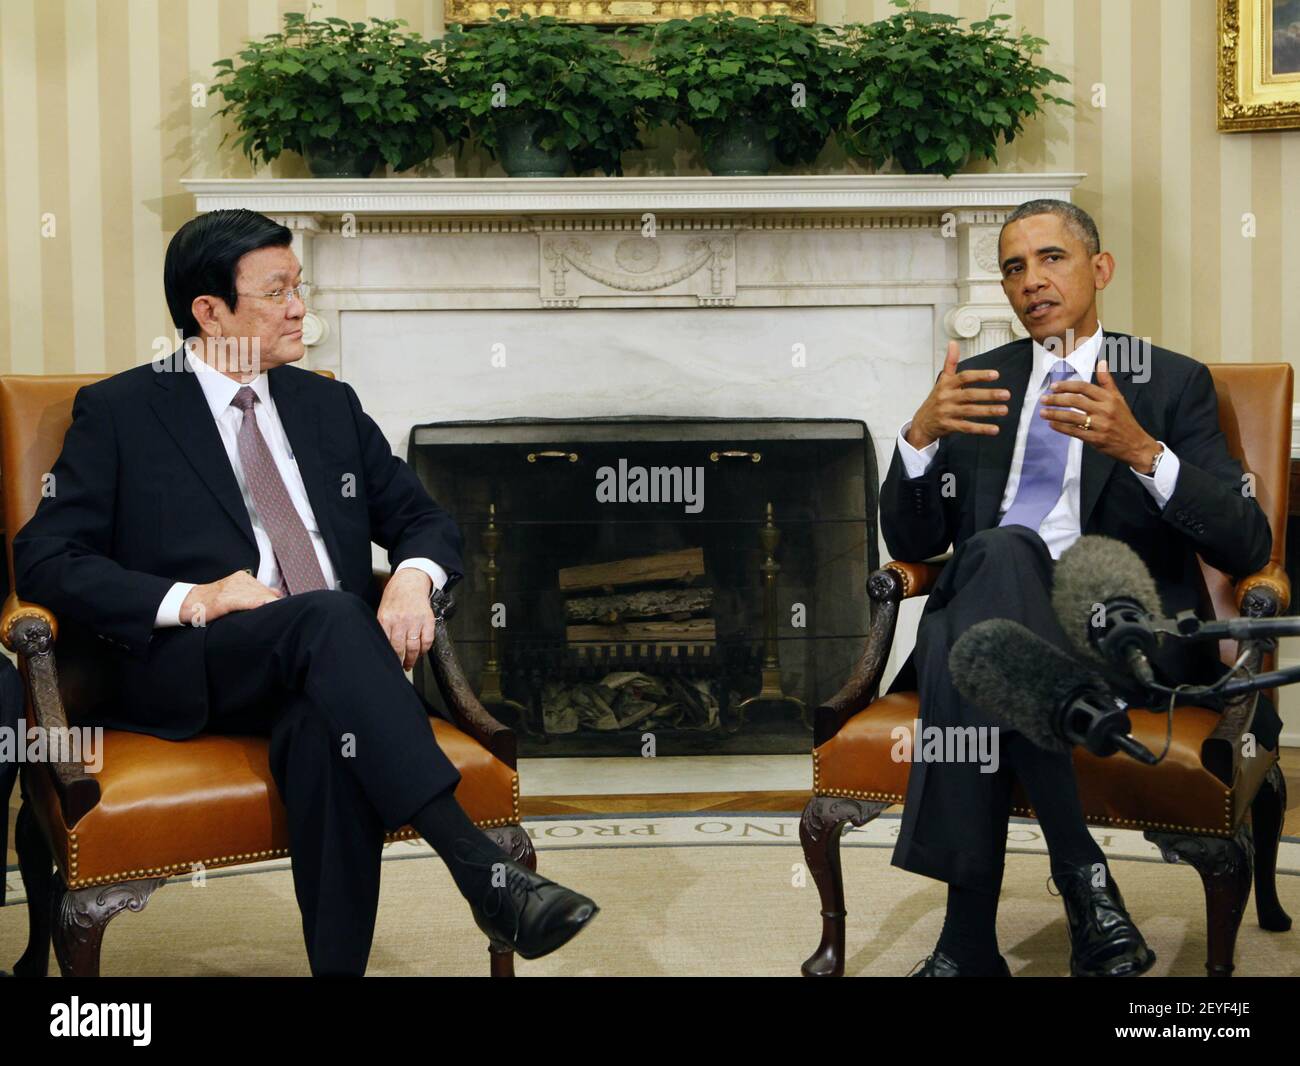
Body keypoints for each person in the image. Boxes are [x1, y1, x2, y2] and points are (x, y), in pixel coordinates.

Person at [13, 208, 598, 976]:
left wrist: (413, 583)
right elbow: (46, 557)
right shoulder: (124, 411)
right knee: (327, 613)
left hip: (333, 670)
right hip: (198, 665)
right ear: (209, 311)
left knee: (328, 736)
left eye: (301, 286)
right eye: (277, 291)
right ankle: (479, 870)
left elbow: (421, 518)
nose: (301, 309)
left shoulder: (326, 405)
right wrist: (193, 597)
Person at [880, 199, 1276, 977]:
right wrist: (919, 438)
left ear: (1100, 269)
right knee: (997, 557)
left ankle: (966, 943)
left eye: (1051, 258)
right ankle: (1083, 879)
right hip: (1001, 619)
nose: (1032, 281)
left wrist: (1141, 450)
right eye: (1014, 267)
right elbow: (917, 547)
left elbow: (1246, 542)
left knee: (980, 629)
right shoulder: (980, 385)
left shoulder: (1169, 382)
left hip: (1115, 634)